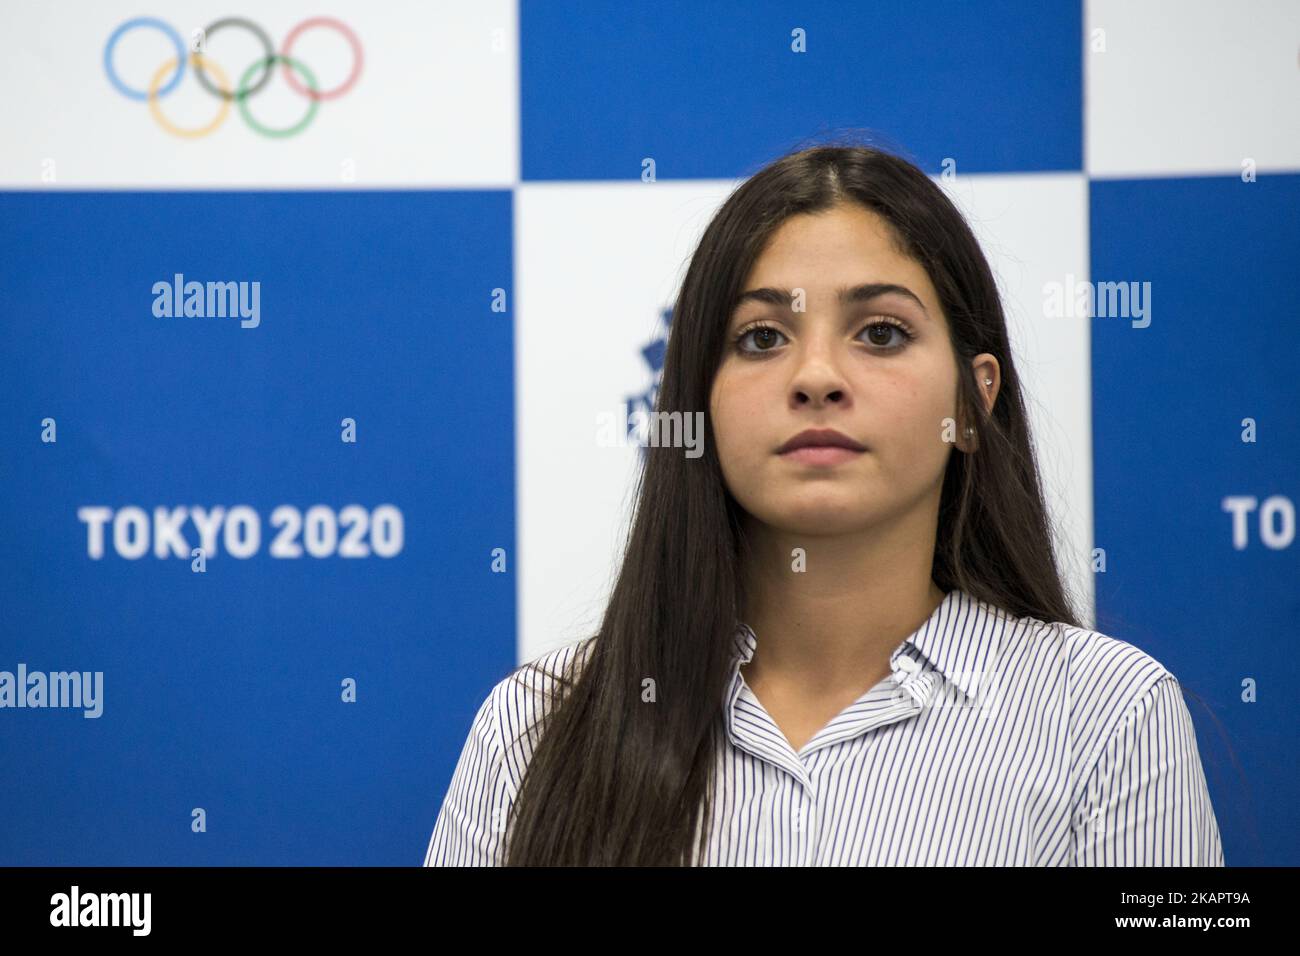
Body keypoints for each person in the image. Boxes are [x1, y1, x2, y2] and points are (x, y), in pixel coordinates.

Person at [424, 140, 1225, 866]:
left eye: (880, 333)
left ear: (974, 404)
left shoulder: (1109, 717)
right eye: (761, 338)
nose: (816, 377)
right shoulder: (532, 730)